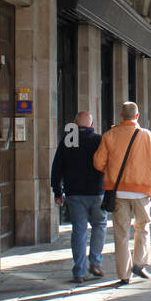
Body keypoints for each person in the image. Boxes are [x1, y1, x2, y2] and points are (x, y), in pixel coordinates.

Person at [93, 101, 151, 286]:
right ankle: (139, 263)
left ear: (121, 116)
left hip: (118, 192)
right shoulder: (147, 136)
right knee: (143, 227)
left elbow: (98, 163)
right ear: (137, 116)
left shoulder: (110, 135)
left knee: (121, 233)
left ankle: (124, 274)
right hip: (141, 192)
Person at [51, 110, 106, 284]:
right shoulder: (99, 140)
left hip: (74, 193)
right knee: (100, 225)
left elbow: (56, 168)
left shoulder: (68, 141)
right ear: (91, 125)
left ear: (75, 124)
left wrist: (57, 192)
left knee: (79, 230)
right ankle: (95, 263)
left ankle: (80, 271)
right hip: (97, 192)